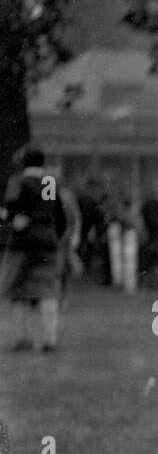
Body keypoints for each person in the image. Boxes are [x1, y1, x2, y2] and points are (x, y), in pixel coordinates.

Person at [3, 146, 68, 352]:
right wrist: (52, 236)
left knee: (18, 292)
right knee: (47, 291)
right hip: (47, 243)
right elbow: (56, 213)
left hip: (22, 244)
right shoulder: (49, 182)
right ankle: (49, 340)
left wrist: (12, 218)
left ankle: (23, 339)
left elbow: (11, 207)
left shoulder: (18, 181)